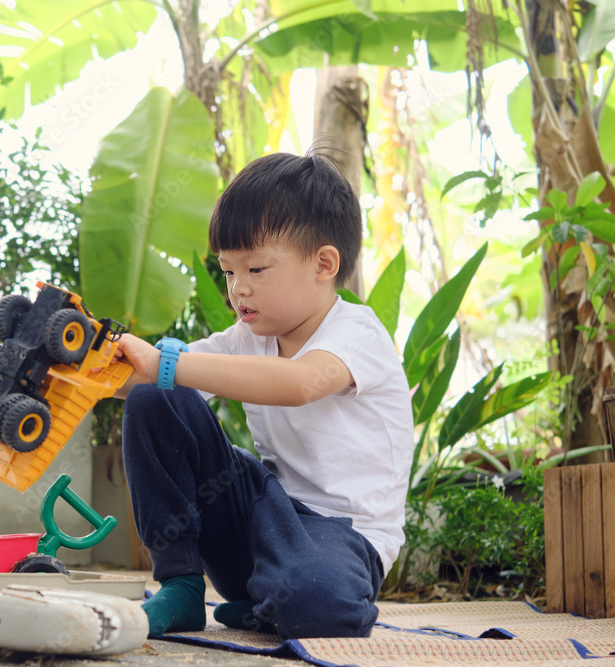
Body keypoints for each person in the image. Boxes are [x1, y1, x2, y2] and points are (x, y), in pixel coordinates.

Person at [112, 151, 415, 640]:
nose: (238, 291)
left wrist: (166, 363)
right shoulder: (245, 335)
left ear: (323, 263)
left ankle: (269, 605)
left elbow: (300, 384)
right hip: (256, 520)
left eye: (255, 269)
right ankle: (182, 586)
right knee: (155, 397)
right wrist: (63, 372)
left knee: (319, 603)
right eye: (229, 272)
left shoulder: (357, 332)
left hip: (338, 539)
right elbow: (143, 382)